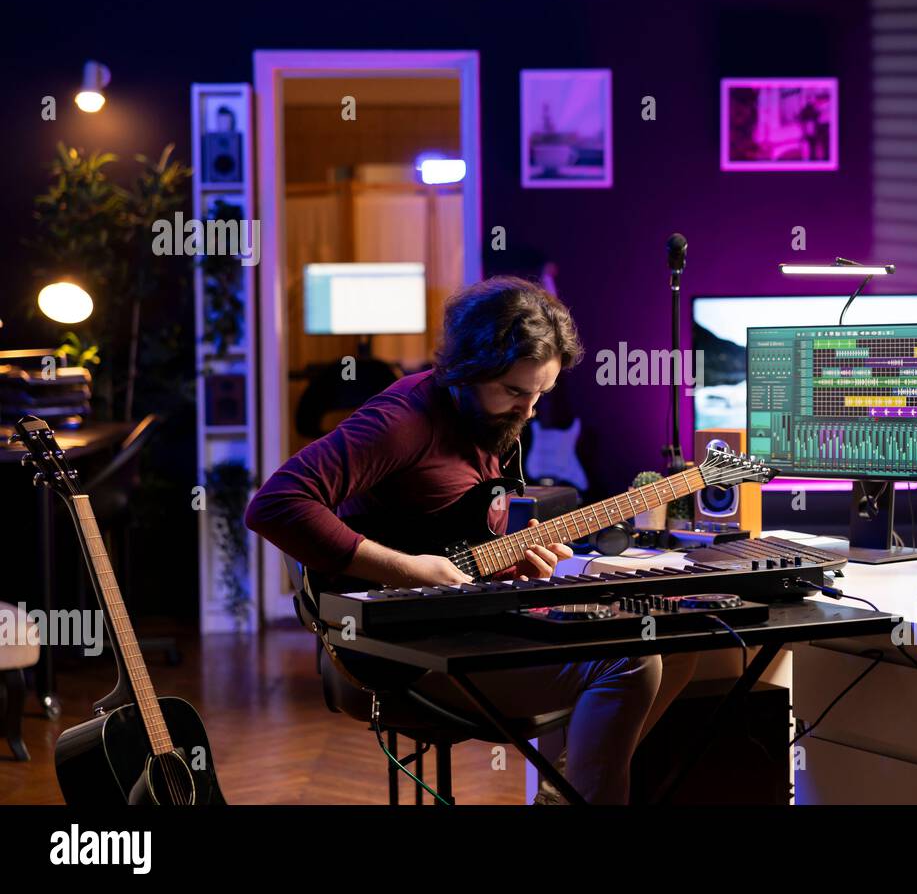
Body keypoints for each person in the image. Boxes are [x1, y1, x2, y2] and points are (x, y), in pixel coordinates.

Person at [245, 275, 698, 803]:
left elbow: (454, 543)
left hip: (458, 624)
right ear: (468, 368)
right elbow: (275, 505)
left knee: (679, 639)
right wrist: (409, 570)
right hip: (387, 648)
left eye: (540, 396)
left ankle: (562, 794)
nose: (527, 412)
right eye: (513, 392)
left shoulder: (497, 425)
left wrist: (511, 563)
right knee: (633, 660)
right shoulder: (402, 421)